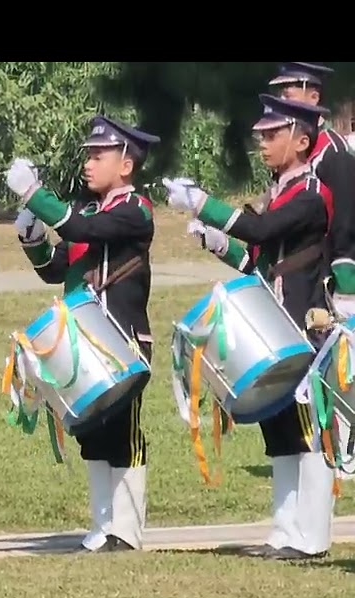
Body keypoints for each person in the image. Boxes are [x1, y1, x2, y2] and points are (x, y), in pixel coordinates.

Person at [169, 95, 336, 561]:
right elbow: (259, 262)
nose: (262, 142)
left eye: (273, 134)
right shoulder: (278, 193)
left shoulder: (311, 194)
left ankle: (312, 537)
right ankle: (284, 532)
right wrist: (217, 243)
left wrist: (203, 203)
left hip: (302, 326)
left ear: (301, 141)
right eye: (262, 134)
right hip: (272, 324)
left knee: (307, 433)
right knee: (278, 431)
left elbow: (262, 233)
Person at [4, 116, 159, 553]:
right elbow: (55, 269)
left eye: (98, 156)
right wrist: (32, 238)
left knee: (123, 433)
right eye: (88, 155)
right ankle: (102, 525)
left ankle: (126, 529)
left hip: (122, 339)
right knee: (91, 434)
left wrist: (35, 195)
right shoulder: (89, 211)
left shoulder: (135, 210)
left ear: (125, 165)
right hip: (83, 340)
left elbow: (83, 231)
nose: (88, 164)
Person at [268, 62, 355, 480]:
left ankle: (343, 449)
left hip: (339, 270)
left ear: (313, 97)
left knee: (343, 364)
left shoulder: (333, 155)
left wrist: (345, 287)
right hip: (312, 272)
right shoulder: (297, 153)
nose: (281, 102)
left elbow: (346, 225)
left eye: (288, 94)